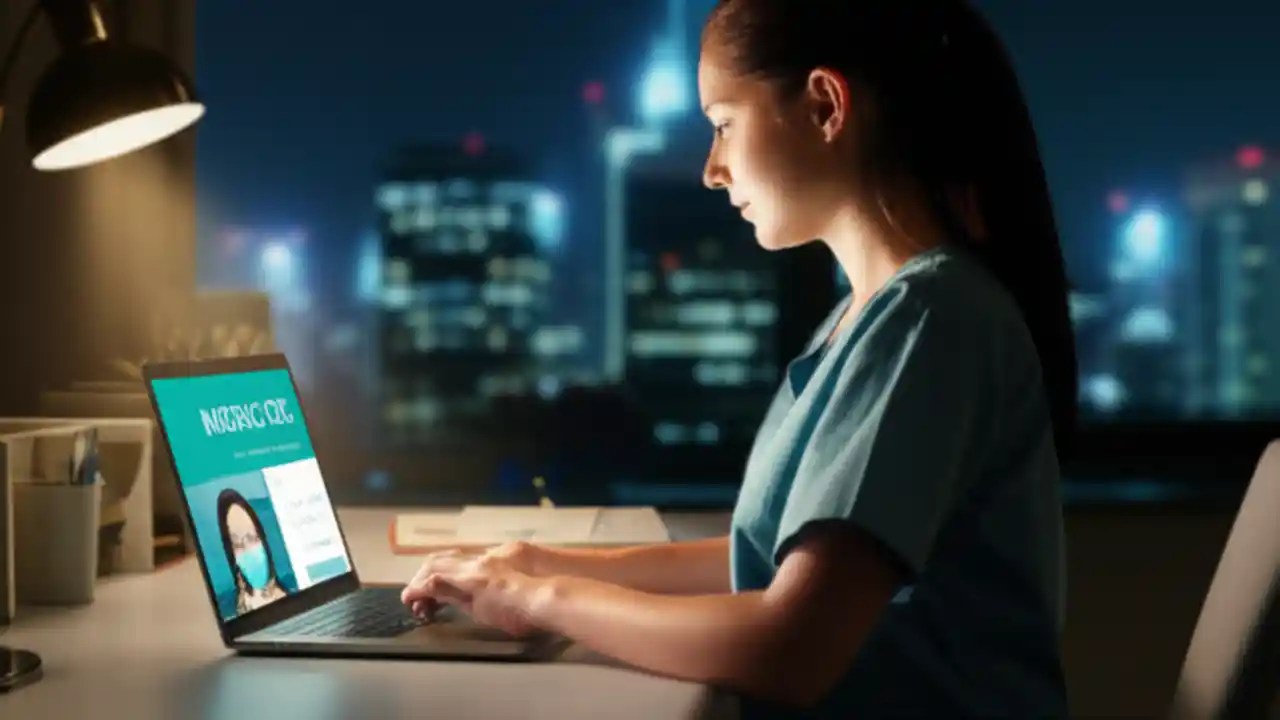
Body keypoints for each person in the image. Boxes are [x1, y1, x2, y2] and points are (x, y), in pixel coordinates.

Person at [402, 0, 1078, 716]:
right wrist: (541, 564)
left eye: (723, 124)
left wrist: (543, 599)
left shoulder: (931, 320)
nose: (711, 170)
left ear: (823, 106)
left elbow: (790, 644)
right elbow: (767, 557)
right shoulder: (871, 319)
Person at [217, 489, 289, 615]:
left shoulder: (294, 587)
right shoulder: (226, 610)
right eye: (238, 545)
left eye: (252, 538)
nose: (248, 549)